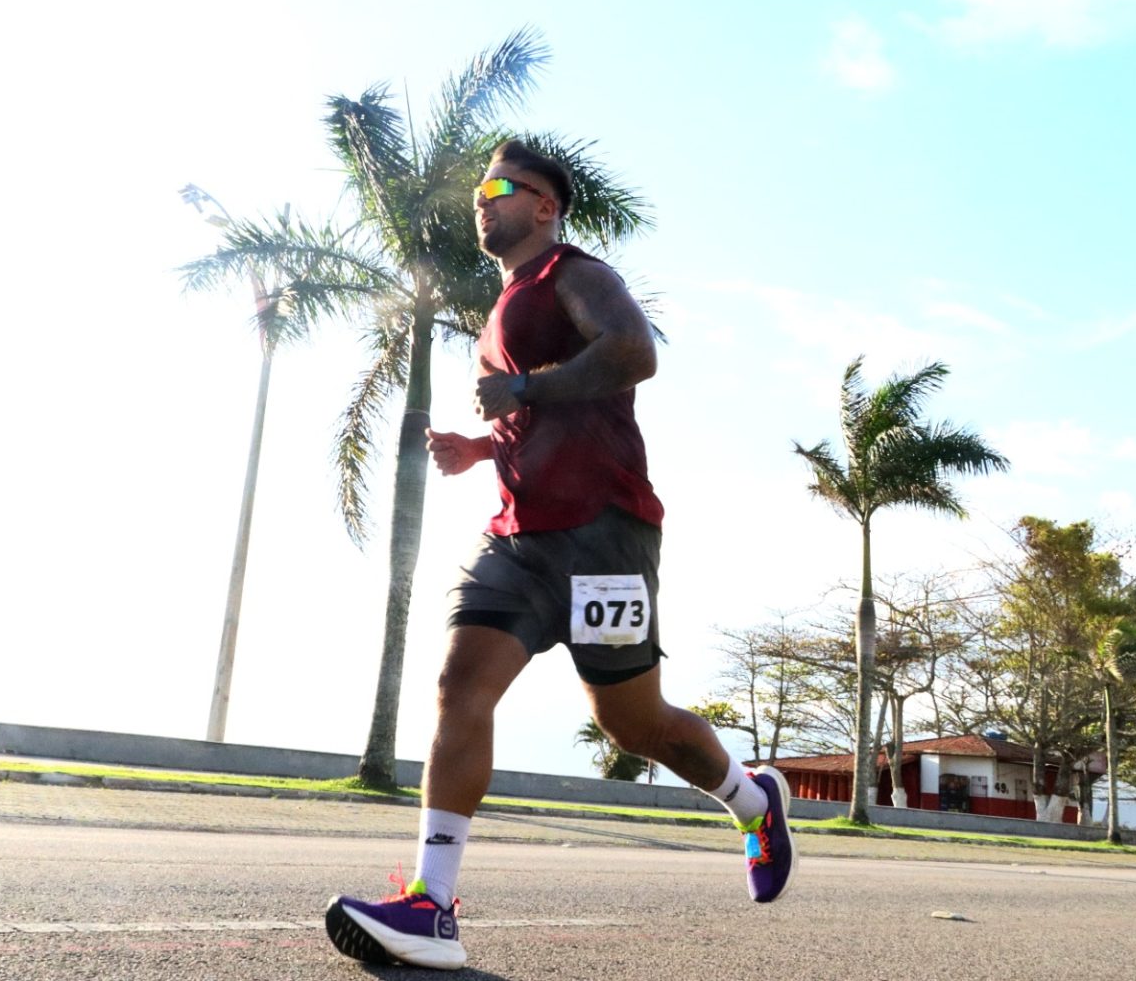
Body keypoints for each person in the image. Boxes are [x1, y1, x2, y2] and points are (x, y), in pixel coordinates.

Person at [325, 140, 796, 970]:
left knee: (632, 722)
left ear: (546, 206)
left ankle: (752, 799)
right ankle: (431, 905)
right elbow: (536, 418)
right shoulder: (501, 308)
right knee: (460, 685)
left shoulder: (573, 274)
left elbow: (634, 352)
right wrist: (482, 445)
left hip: (605, 533)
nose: (484, 200)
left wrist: (526, 387)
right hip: (519, 536)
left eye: (501, 188)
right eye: (479, 191)